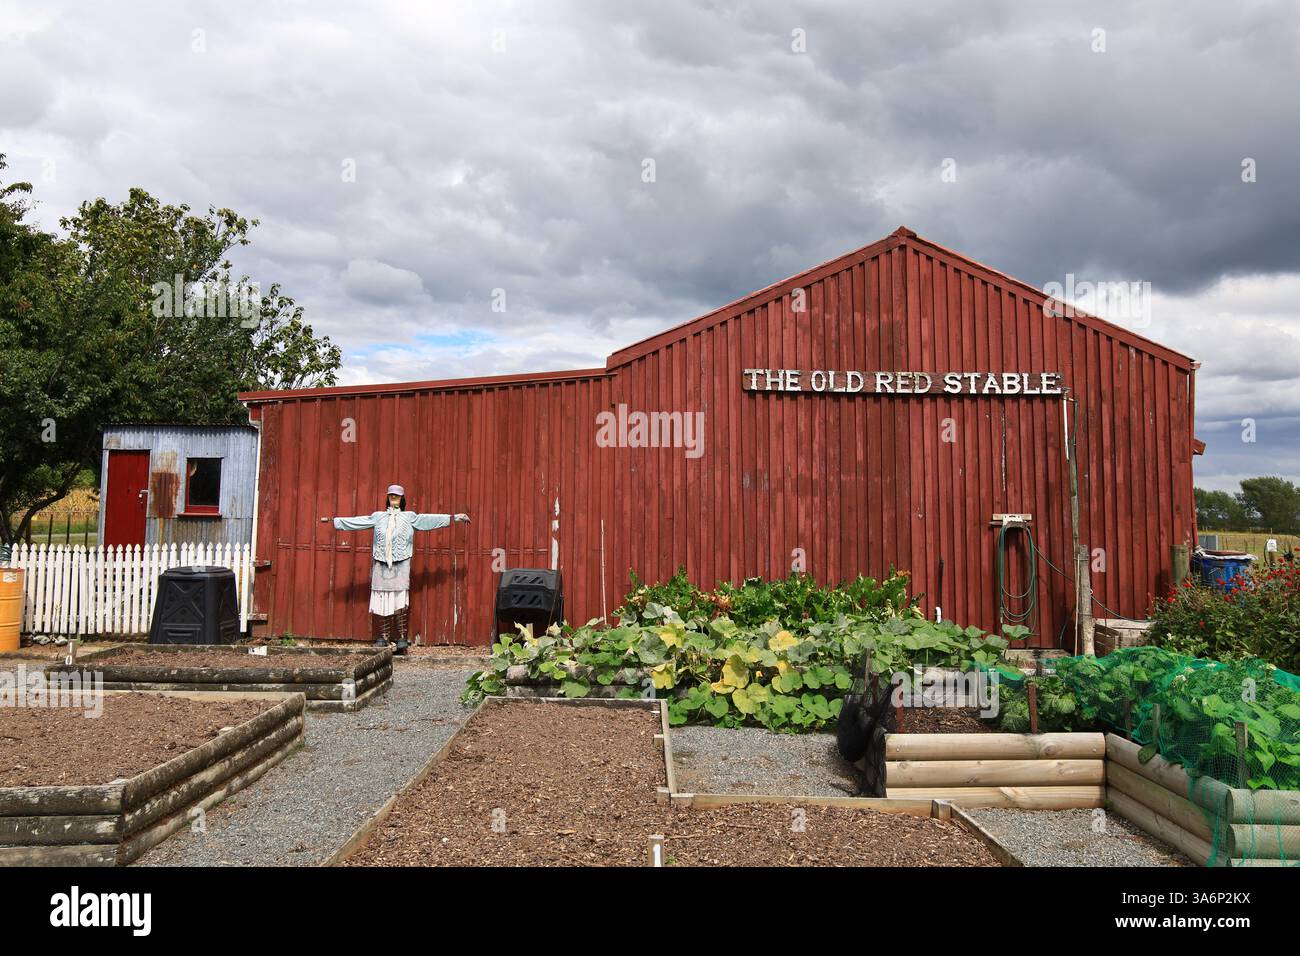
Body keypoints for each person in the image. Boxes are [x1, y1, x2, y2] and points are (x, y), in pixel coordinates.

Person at [326, 485, 470, 654]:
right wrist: (335, 521)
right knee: (382, 597)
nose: (394, 498)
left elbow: (428, 520)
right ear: (387, 497)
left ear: (402, 499)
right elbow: (359, 521)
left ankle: (401, 637)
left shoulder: (409, 517)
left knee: (399, 598)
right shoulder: (378, 517)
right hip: (381, 563)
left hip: (401, 563)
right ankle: (384, 636)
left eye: (397, 496)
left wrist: (454, 518)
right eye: (392, 495)